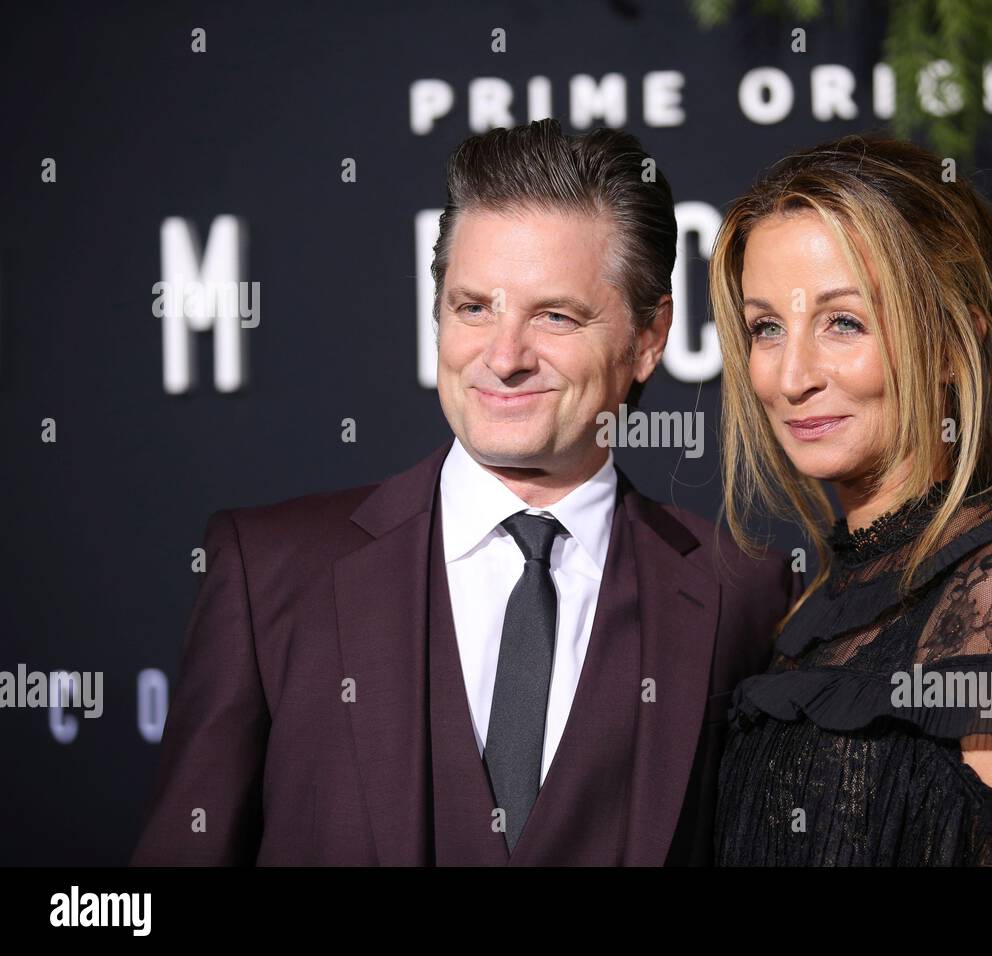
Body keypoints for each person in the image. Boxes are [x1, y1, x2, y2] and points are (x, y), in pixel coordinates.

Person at [131, 119, 798, 866]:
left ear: (649, 338)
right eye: (474, 307)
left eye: (554, 315)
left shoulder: (741, 594)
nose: (503, 356)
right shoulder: (271, 573)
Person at [709, 133, 992, 865]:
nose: (790, 376)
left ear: (953, 345)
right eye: (767, 327)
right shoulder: (815, 605)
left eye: (843, 322)